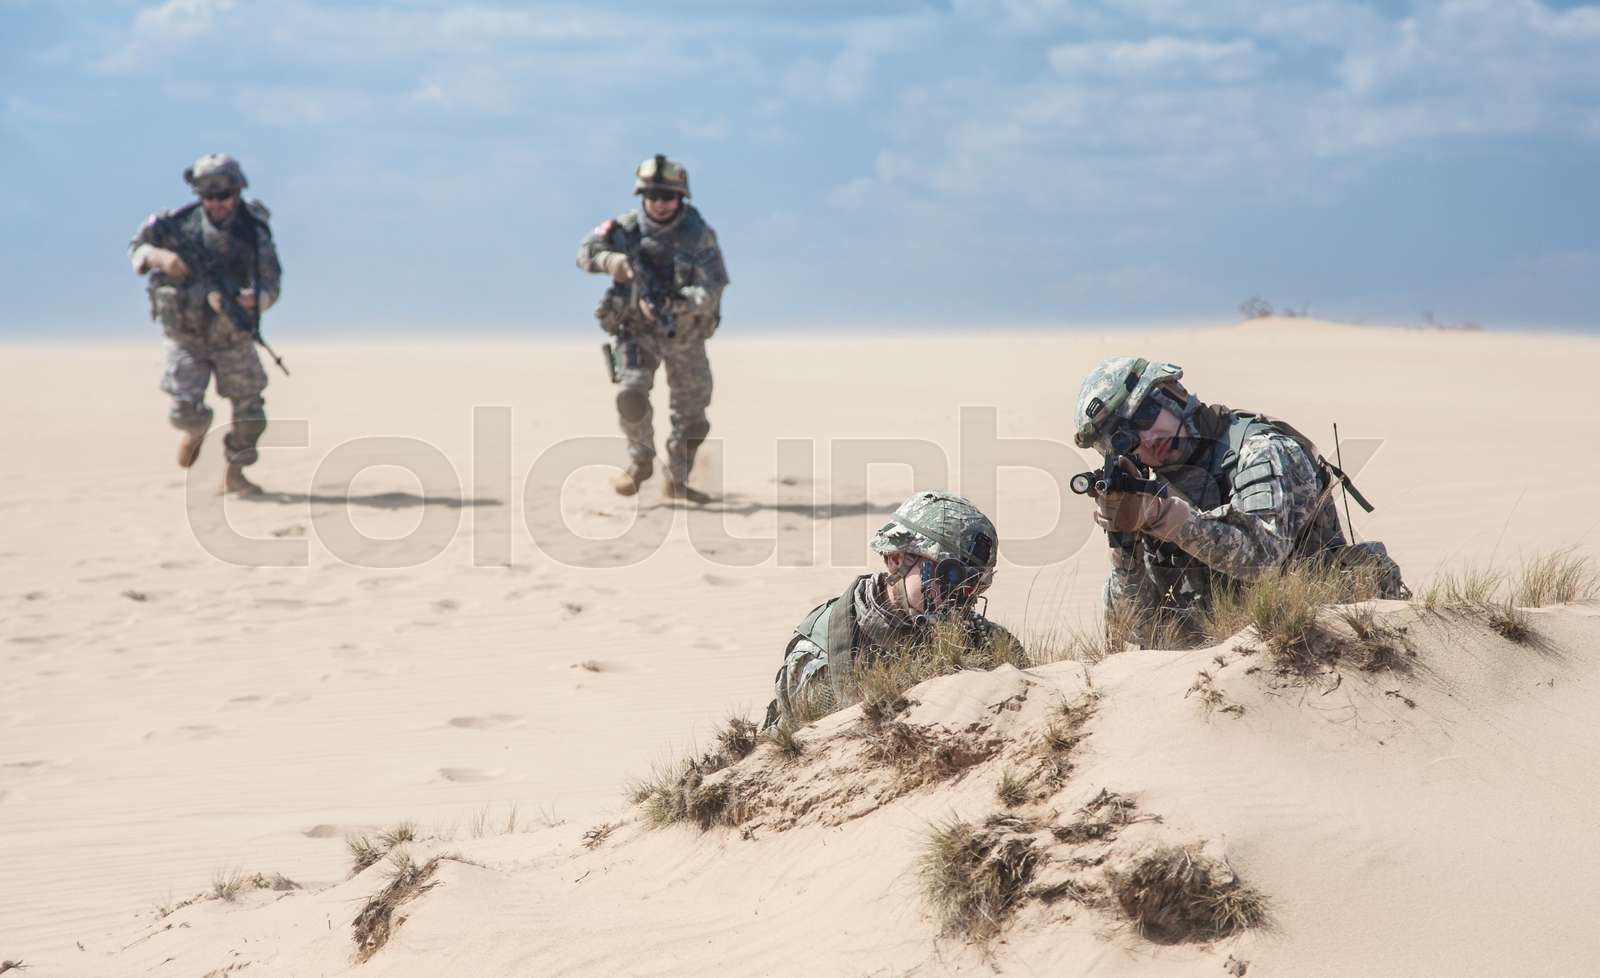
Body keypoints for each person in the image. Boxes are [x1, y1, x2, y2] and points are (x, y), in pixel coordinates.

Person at [1072, 356, 1407, 647]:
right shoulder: (1156, 490)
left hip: (1322, 644)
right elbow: (1138, 630)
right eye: (1128, 440)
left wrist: (1164, 517)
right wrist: (1123, 538)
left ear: (1172, 395)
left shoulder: (1260, 451)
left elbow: (1262, 557)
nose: (1147, 440)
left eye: (1146, 416)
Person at [764, 491, 1022, 729]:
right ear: (896, 559)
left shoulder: (989, 643)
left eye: (973, 584)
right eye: (950, 575)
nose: (961, 597)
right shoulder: (825, 657)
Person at [576, 154, 729, 503]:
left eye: (667, 196)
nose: (659, 203)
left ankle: (676, 478)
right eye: (652, 195)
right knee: (630, 397)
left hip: (684, 334)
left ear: (681, 197)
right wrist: (610, 261)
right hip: (635, 331)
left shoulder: (699, 236)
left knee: (693, 420)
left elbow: (712, 288)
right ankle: (639, 461)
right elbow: (585, 252)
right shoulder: (624, 230)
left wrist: (675, 303)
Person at [128, 153, 281, 495]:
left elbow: (272, 283)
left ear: (238, 192)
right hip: (187, 334)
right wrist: (158, 257)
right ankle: (196, 434)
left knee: (252, 415)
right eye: (209, 196)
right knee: (184, 412)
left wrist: (254, 300)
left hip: (232, 334)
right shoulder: (175, 225)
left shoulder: (253, 232)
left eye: (224, 195)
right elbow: (137, 248)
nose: (217, 203)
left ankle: (234, 471)